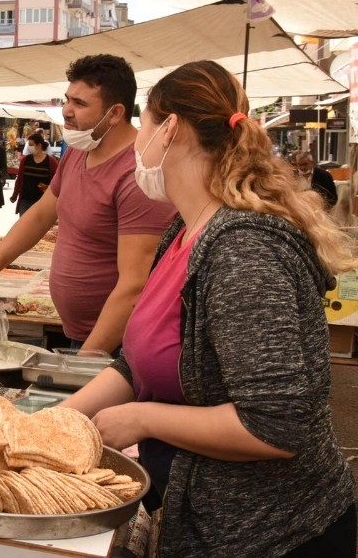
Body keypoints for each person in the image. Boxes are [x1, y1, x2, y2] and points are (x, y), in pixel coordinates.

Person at [62, 60, 357, 557]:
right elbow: (140, 362)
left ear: (169, 128)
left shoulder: (243, 250)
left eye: (145, 125)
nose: (138, 142)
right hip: (203, 522)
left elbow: (275, 425)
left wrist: (143, 419)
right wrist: (58, 421)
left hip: (270, 535)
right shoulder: (183, 231)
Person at [0, 55, 175, 353]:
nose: (67, 111)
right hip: (78, 334)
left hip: (116, 345)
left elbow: (135, 285)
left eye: (80, 104)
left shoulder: (137, 175)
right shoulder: (81, 148)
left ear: (115, 113)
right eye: (68, 99)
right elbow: (41, 215)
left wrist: (84, 361)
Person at [10, 131, 59, 216]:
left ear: (39, 145)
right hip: (25, 200)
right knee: (24, 226)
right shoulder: (25, 160)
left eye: (31, 145)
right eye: (29, 145)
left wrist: (48, 188)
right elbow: (19, 179)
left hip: (42, 202)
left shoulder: (51, 162)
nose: (29, 147)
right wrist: (14, 196)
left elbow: (57, 182)